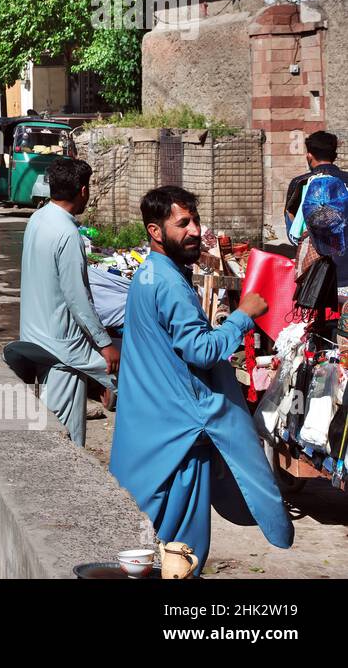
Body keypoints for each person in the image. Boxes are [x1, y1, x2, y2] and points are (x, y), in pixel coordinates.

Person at [110, 186, 294, 571]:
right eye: (183, 223)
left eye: (195, 219)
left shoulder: (148, 273)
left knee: (144, 542)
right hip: (180, 434)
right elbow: (202, 351)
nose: (195, 230)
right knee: (179, 553)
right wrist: (244, 314)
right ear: (155, 231)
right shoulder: (170, 284)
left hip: (148, 427)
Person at [18, 157, 117, 447]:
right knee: (64, 433)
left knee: (51, 417)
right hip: (61, 346)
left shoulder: (38, 218)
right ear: (83, 191)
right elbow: (78, 298)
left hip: (36, 337)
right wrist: (104, 343)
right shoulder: (68, 233)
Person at [285, 130, 348, 286]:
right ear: (334, 155)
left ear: (309, 155)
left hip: (314, 271)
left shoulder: (300, 183)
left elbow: (292, 230)